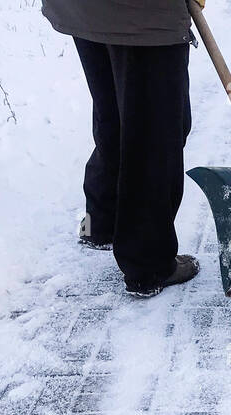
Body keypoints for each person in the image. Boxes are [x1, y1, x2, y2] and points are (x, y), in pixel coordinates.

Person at [41, 0, 202, 297]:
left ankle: (99, 224)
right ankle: (148, 265)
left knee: (113, 111)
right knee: (155, 133)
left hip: (82, 8)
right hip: (142, 15)